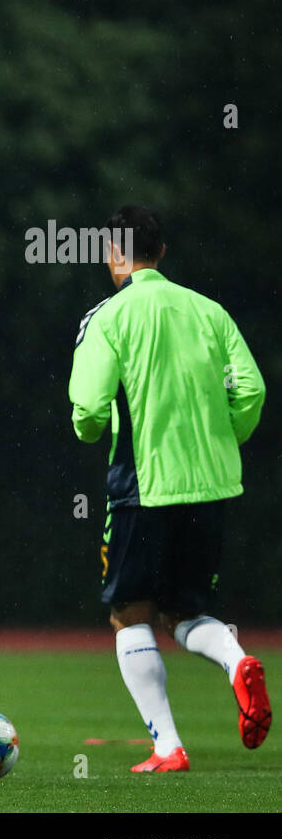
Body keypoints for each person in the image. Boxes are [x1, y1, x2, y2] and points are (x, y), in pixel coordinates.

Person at [69, 204, 269, 772]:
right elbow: (250, 391)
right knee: (184, 612)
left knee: (129, 615)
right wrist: (219, 440)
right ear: (161, 252)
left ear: (114, 256)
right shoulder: (210, 312)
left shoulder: (109, 316)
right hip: (210, 486)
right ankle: (236, 663)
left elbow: (87, 407)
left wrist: (90, 429)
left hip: (143, 487)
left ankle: (168, 748)